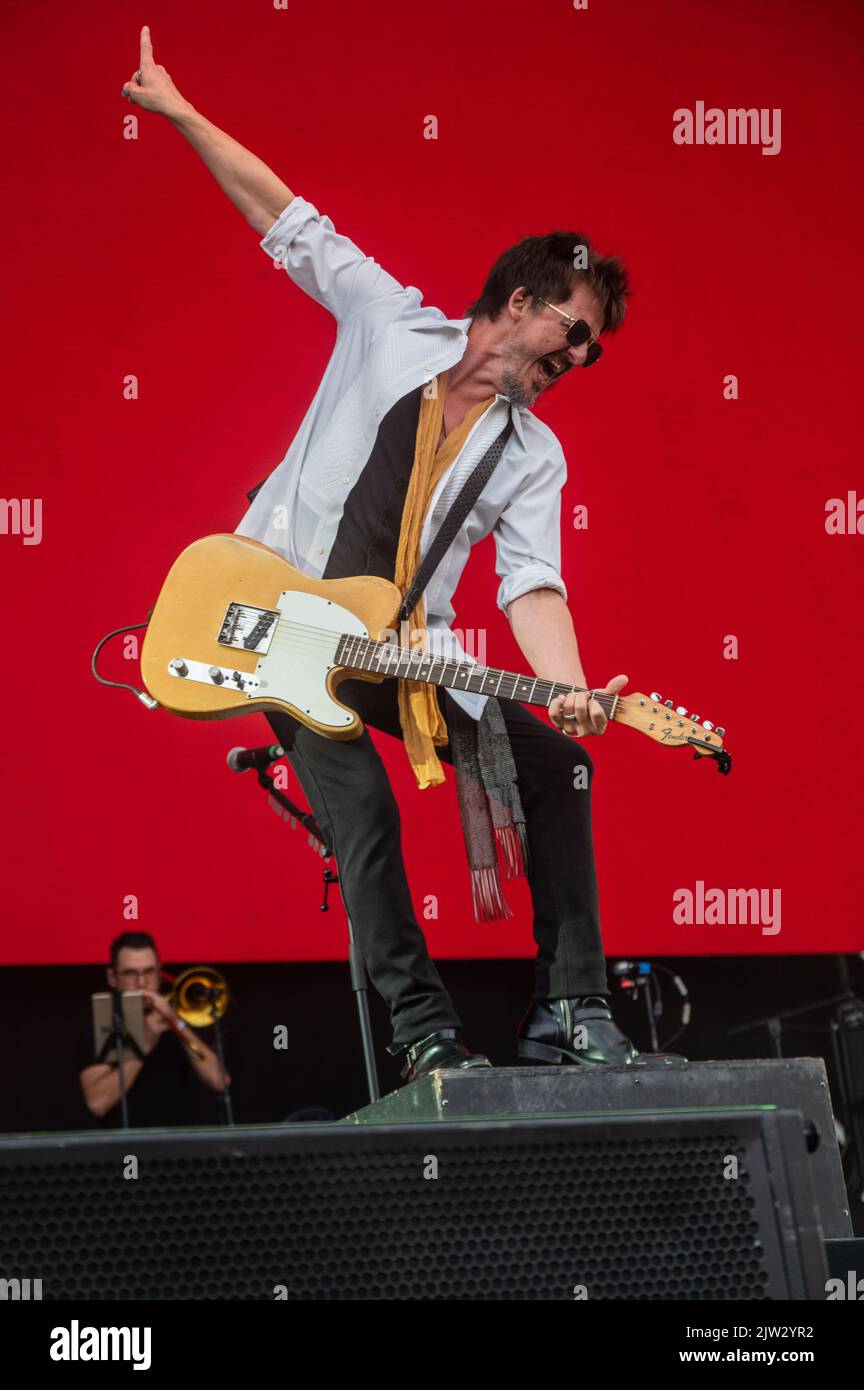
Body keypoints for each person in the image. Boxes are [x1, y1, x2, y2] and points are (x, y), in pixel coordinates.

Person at [121, 27, 648, 1084]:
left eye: (592, 351)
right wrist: (178, 112)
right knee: (356, 803)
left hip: (403, 657)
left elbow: (532, 584)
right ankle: (424, 1034)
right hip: (277, 622)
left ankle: (572, 1009)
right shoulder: (385, 319)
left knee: (563, 765)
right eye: (576, 332)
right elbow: (285, 216)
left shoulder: (530, 452)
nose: (580, 359)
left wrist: (571, 689)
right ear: (524, 298)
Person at [78, 932, 229, 1127]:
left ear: (159, 973)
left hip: (178, 1147)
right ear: (112, 977)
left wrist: (177, 1023)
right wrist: (143, 1046)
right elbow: (98, 1103)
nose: (142, 983)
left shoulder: (182, 1019)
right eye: (131, 973)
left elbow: (220, 1080)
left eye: (149, 972)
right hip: (124, 1149)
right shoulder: (102, 1024)